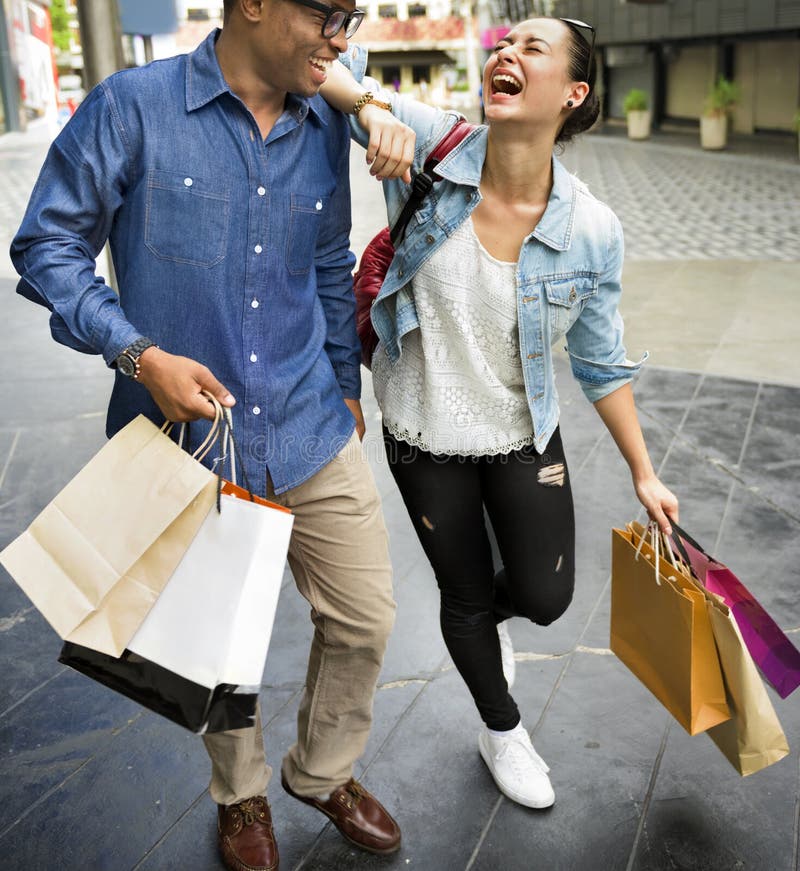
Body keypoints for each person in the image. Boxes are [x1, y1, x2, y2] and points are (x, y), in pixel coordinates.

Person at [10, 1, 417, 868]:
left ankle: (323, 770)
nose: (343, 35)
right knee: (220, 641)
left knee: (366, 617)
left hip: (310, 420)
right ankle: (241, 796)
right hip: (184, 436)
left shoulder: (323, 124)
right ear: (254, 5)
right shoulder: (131, 106)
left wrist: (346, 388)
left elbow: (326, 259)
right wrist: (137, 353)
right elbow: (46, 244)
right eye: (330, 13)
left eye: (353, 15)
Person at [318, 16, 679, 810]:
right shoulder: (435, 147)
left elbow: (600, 360)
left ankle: (491, 626)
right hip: (424, 428)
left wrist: (645, 473)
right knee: (465, 596)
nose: (506, 54)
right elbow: (326, 66)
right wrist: (374, 107)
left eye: (533, 48)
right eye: (504, 44)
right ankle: (502, 727)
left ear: (574, 93)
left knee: (546, 597)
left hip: (521, 428)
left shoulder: (590, 228)